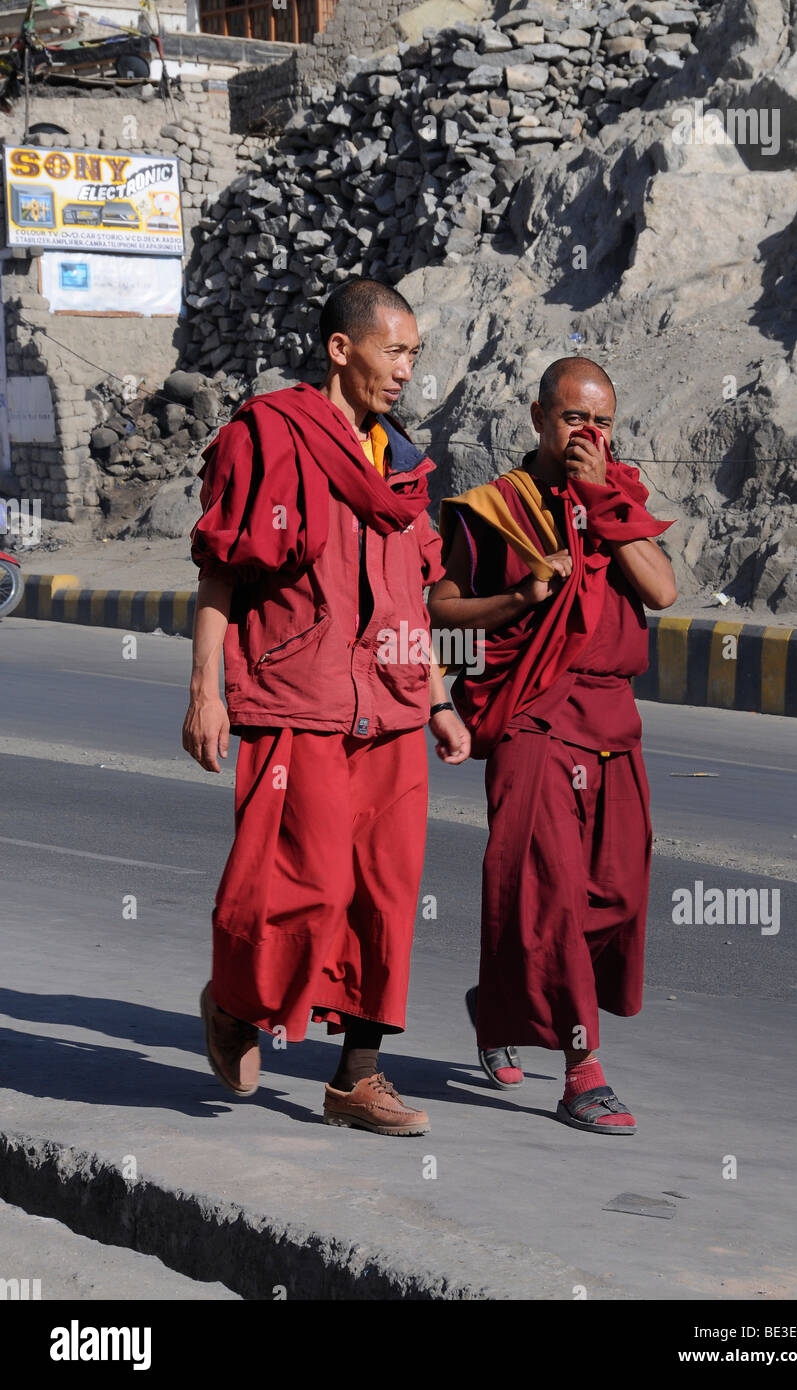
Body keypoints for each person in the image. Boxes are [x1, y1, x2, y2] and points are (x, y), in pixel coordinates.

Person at [183, 278, 469, 1137]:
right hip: (295, 697)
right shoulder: (266, 435)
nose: (406, 370)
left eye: (414, 354)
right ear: (341, 349)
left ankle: (357, 1078)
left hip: (392, 707)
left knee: (385, 895)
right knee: (292, 890)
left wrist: (444, 697)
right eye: (393, 351)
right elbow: (220, 568)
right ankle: (235, 1003)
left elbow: (417, 596)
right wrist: (208, 691)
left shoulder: (404, 465)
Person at [429, 357, 676, 1134]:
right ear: (539, 417)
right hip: (531, 716)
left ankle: (498, 1001)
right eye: (573, 419)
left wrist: (603, 497)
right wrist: (521, 595)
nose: (587, 434)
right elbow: (441, 610)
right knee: (548, 895)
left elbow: (661, 590)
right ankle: (582, 1074)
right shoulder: (491, 509)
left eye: (600, 421)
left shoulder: (619, 492)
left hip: (610, 718)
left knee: (616, 894)